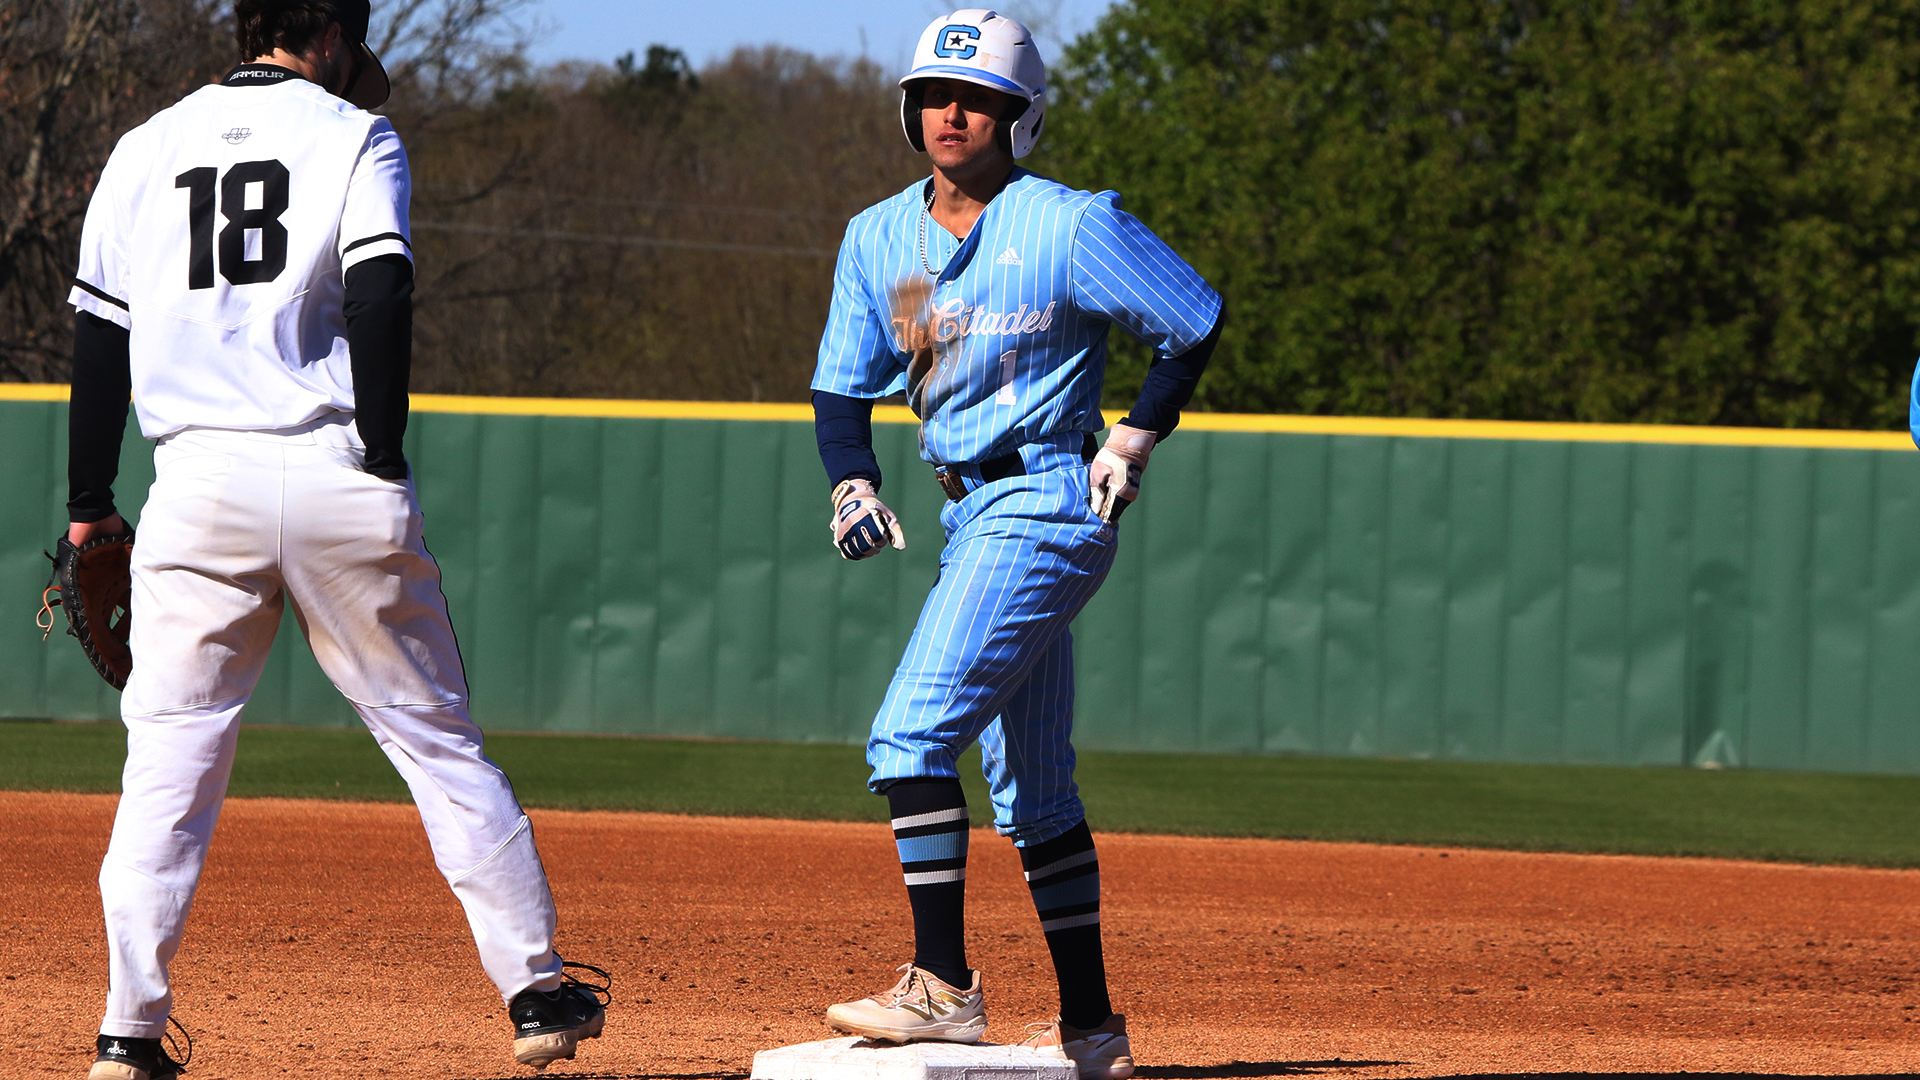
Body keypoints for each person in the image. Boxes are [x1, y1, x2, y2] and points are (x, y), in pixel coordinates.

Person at [64, 3, 607, 1077]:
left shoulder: (146, 145)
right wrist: (386, 448)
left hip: (197, 483)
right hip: (331, 466)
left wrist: (89, 501)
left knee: (169, 754)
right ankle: (538, 993)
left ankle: (128, 1029)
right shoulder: (356, 132)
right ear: (336, 33)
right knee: (436, 740)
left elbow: (98, 331)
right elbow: (381, 289)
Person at [809, 10, 1223, 1079]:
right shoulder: (878, 237)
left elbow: (1193, 314)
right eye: (938, 96)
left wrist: (1137, 431)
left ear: (1019, 116)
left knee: (906, 738)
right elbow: (840, 384)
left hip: (1046, 498)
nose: (955, 113)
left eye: (980, 99)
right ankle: (1093, 1033)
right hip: (963, 510)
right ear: (912, 109)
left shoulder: (1067, 225)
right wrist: (851, 480)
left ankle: (941, 986)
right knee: (1034, 791)